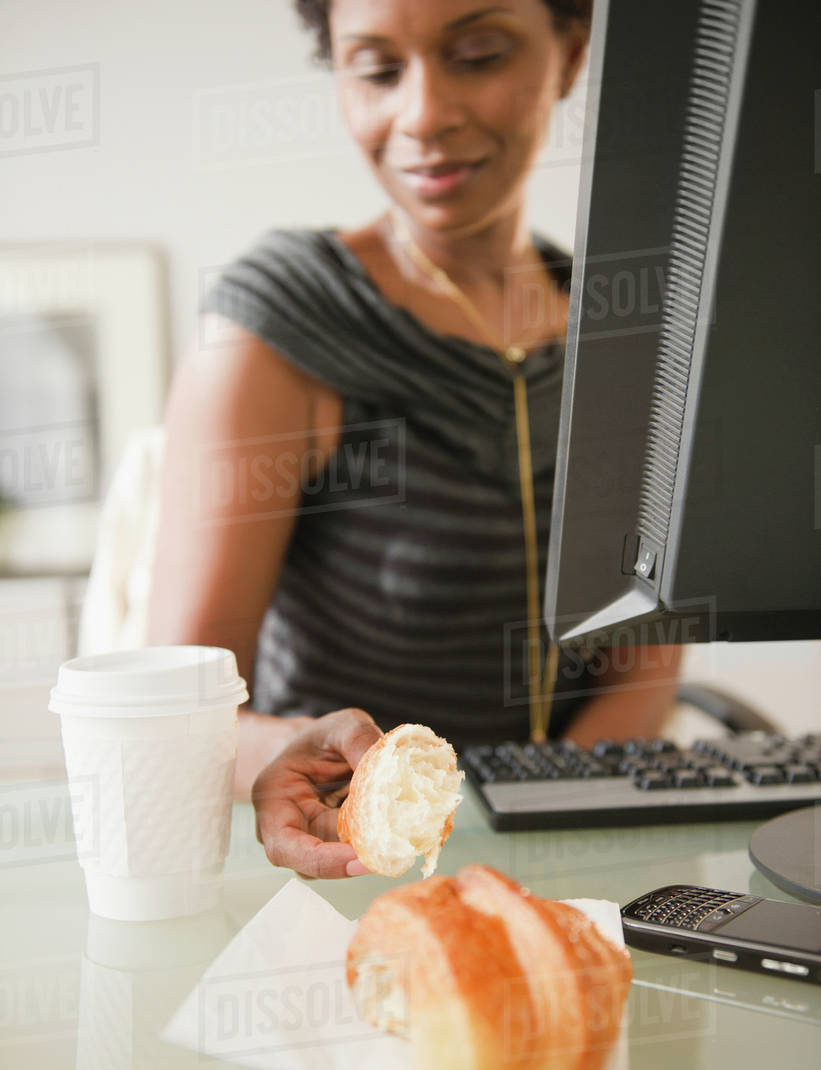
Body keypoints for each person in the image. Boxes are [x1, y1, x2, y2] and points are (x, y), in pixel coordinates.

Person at [148, 0, 683, 879]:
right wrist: (295, 753)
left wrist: (553, 846)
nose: (424, 114)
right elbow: (175, 711)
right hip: (349, 877)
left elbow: (644, 662)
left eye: (477, 53)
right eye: (377, 69)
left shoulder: (624, 325)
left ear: (571, 52)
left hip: (562, 868)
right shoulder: (279, 325)